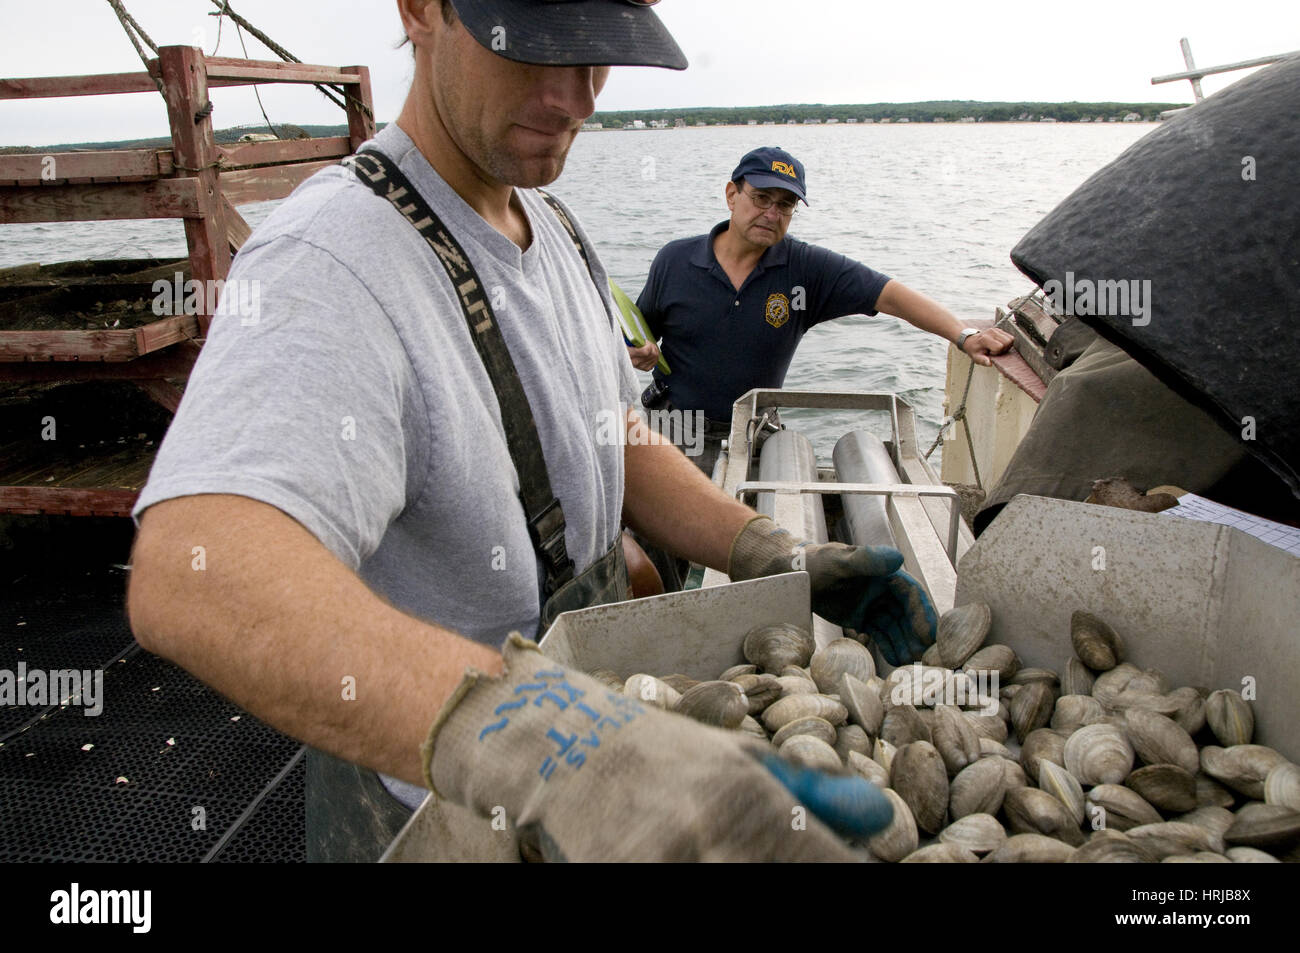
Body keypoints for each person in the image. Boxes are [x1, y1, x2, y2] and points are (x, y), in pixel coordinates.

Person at [126, 0, 934, 863]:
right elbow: (193, 573)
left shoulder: (549, 225)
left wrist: (766, 549)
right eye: (536, 46)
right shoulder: (331, 260)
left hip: (590, 798)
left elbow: (605, 434)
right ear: (423, 10)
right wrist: (555, 747)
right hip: (438, 814)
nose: (575, 97)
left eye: (596, 56)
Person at [631, 147, 1014, 475]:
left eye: (786, 204)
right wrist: (638, 350)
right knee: (653, 549)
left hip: (752, 436)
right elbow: (635, 331)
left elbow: (890, 295)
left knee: (748, 550)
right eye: (762, 197)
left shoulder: (805, 269)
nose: (772, 213)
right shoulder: (675, 260)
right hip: (671, 428)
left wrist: (963, 335)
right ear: (732, 194)